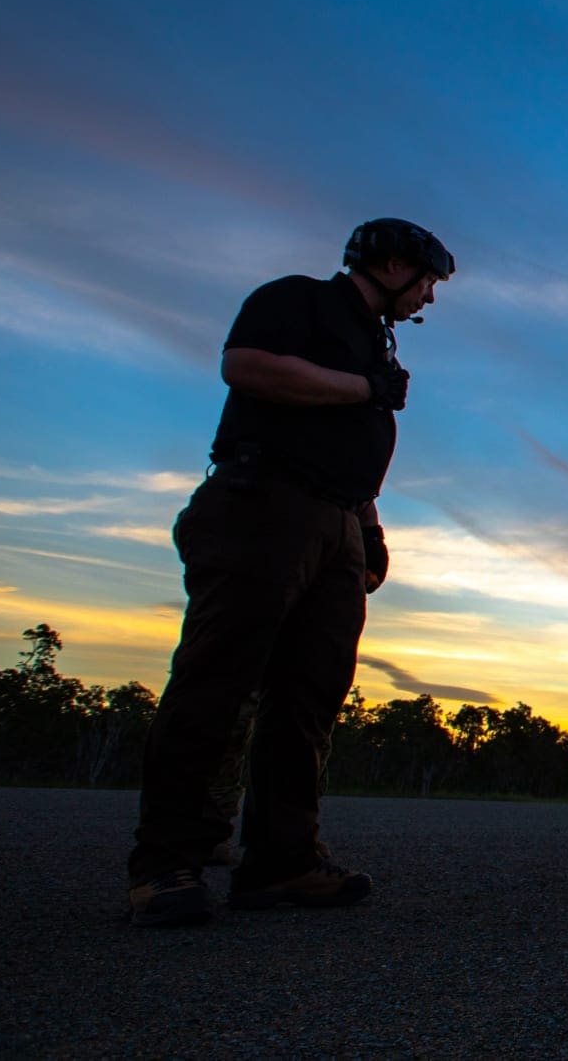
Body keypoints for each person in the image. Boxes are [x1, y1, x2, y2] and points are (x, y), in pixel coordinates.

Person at [126, 219, 453, 927]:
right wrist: (362, 386)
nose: (428, 297)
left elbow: (351, 446)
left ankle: (282, 862)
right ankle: (165, 864)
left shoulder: (374, 343)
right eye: (425, 280)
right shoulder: (298, 300)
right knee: (218, 679)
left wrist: (367, 529)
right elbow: (248, 368)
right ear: (392, 264)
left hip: (336, 520)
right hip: (263, 505)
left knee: (310, 697)